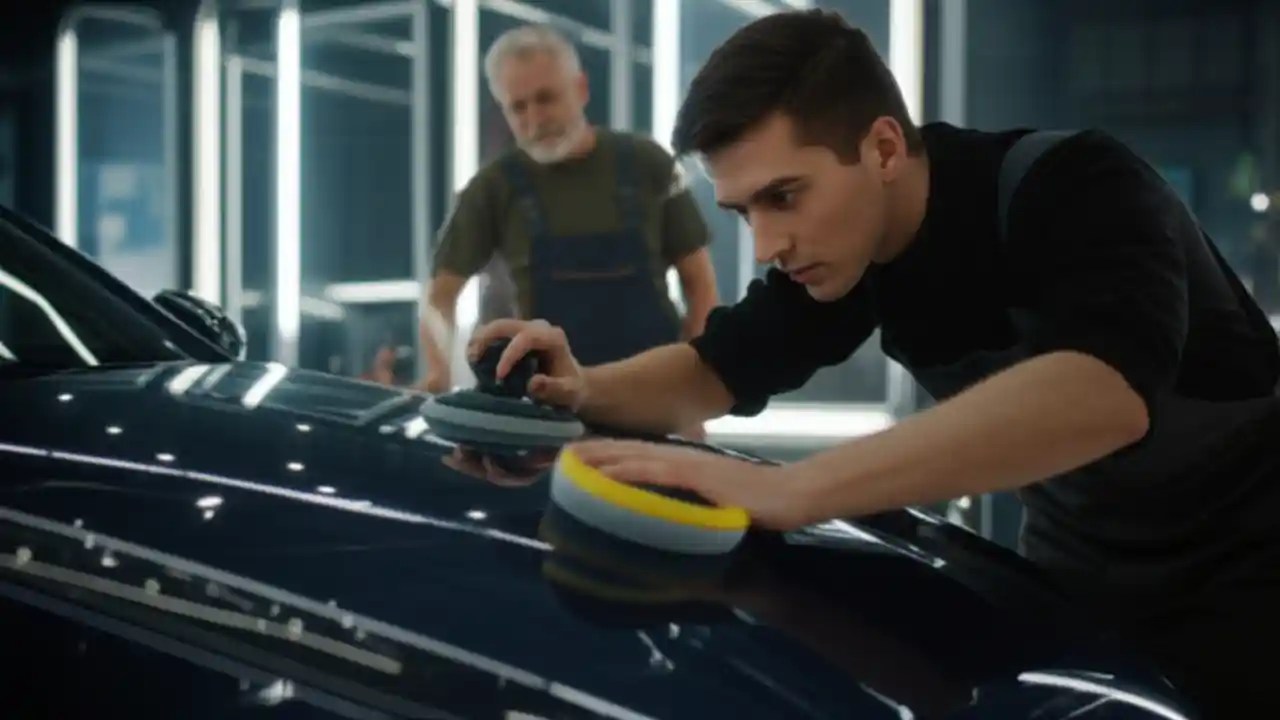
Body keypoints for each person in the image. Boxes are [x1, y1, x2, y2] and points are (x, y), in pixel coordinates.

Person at [469, 10, 1280, 718]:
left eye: (785, 196)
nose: (768, 243)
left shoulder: (1079, 186)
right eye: (744, 211)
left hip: (1250, 570)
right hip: (1078, 569)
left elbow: (1103, 393)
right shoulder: (846, 254)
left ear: (884, 147)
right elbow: (713, 370)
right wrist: (581, 386)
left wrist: (795, 491)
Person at [418, 23, 719, 399]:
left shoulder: (647, 163)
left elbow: (700, 284)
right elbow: (439, 297)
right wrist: (438, 373)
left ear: (581, 89)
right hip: (545, 402)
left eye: (546, 98)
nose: (534, 119)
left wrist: (694, 384)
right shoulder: (493, 188)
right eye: (518, 107)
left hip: (655, 395)